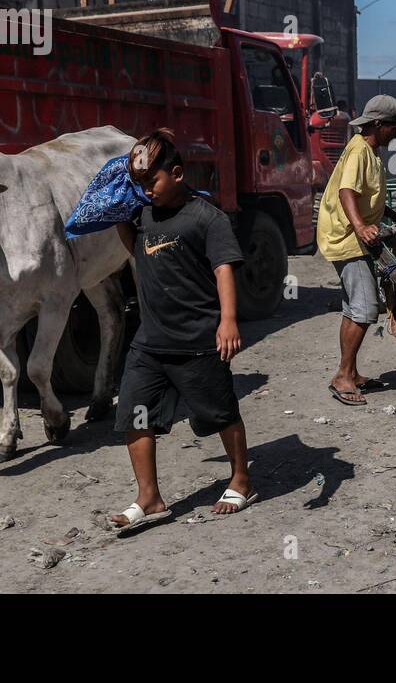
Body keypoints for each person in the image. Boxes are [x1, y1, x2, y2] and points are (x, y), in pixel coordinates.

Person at [110, 128, 253, 534]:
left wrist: (228, 320)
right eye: (141, 183)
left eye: (152, 180)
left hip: (197, 341)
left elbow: (223, 267)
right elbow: (136, 248)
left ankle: (241, 479)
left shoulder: (208, 217)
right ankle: (149, 496)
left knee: (221, 412)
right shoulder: (142, 214)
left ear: (176, 173)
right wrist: (123, 211)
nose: (147, 190)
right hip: (150, 341)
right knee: (135, 414)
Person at [317, 94, 396, 406]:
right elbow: (347, 190)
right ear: (378, 124)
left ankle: (351, 372)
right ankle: (343, 377)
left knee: (353, 308)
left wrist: (392, 214)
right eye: (394, 126)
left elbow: (366, 194)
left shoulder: (371, 152)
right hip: (347, 238)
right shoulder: (359, 150)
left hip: (351, 235)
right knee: (365, 308)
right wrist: (361, 227)